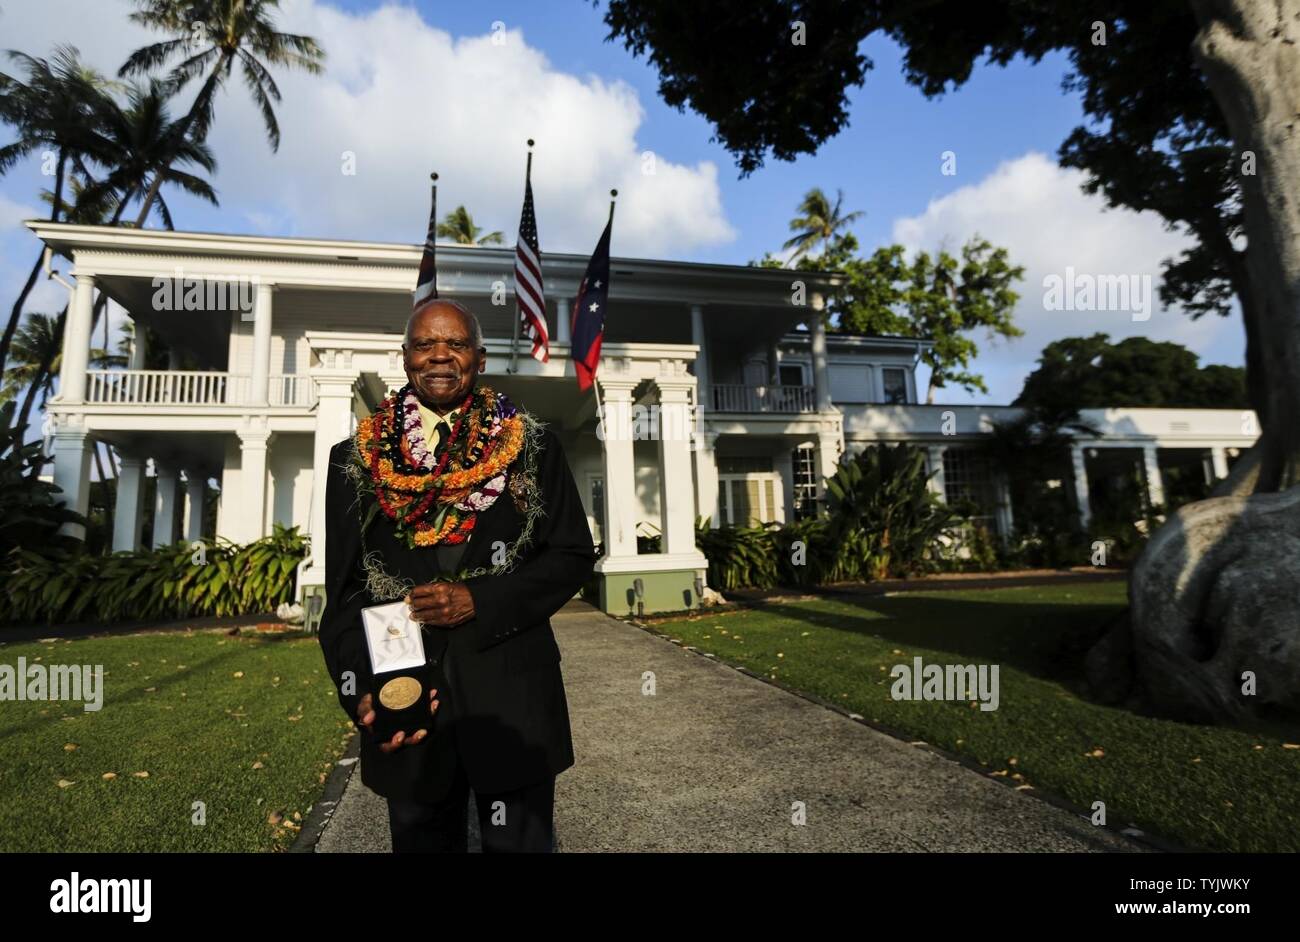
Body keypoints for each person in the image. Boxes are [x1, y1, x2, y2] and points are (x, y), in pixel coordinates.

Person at [317, 297, 596, 852]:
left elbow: (570, 554)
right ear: (405, 358)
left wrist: (480, 600)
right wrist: (363, 691)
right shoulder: (353, 459)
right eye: (425, 344)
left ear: (480, 357)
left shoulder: (532, 446)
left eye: (456, 344)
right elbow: (346, 590)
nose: (440, 356)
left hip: (511, 695)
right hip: (408, 700)